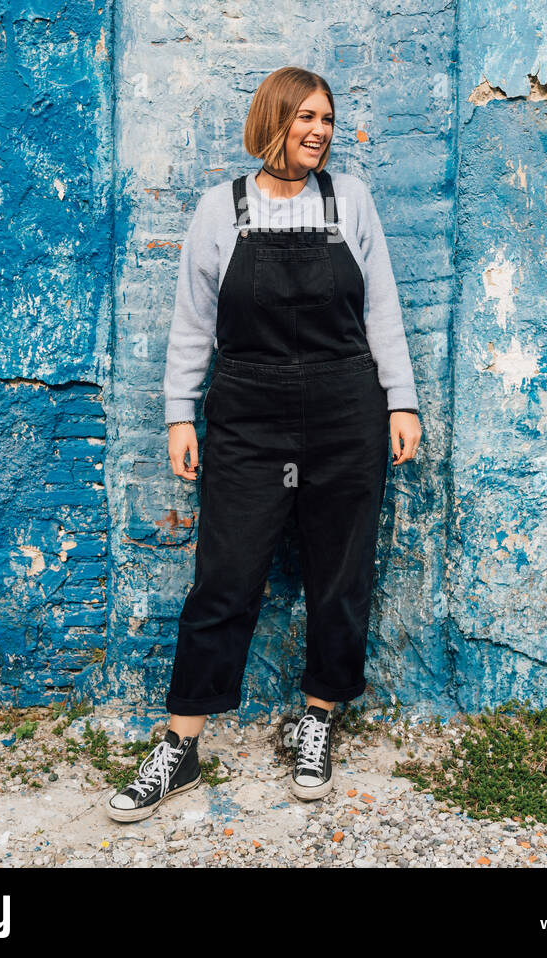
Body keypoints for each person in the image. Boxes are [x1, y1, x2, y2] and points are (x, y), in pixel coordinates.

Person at [106, 66, 422, 823]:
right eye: (305, 116)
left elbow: (382, 309)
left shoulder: (351, 201)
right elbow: (192, 321)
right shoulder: (223, 208)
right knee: (225, 577)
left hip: (347, 409)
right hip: (247, 413)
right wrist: (181, 413)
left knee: (340, 574)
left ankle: (317, 720)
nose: (319, 131)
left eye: (327, 119)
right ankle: (180, 745)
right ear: (273, 120)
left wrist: (400, 401)